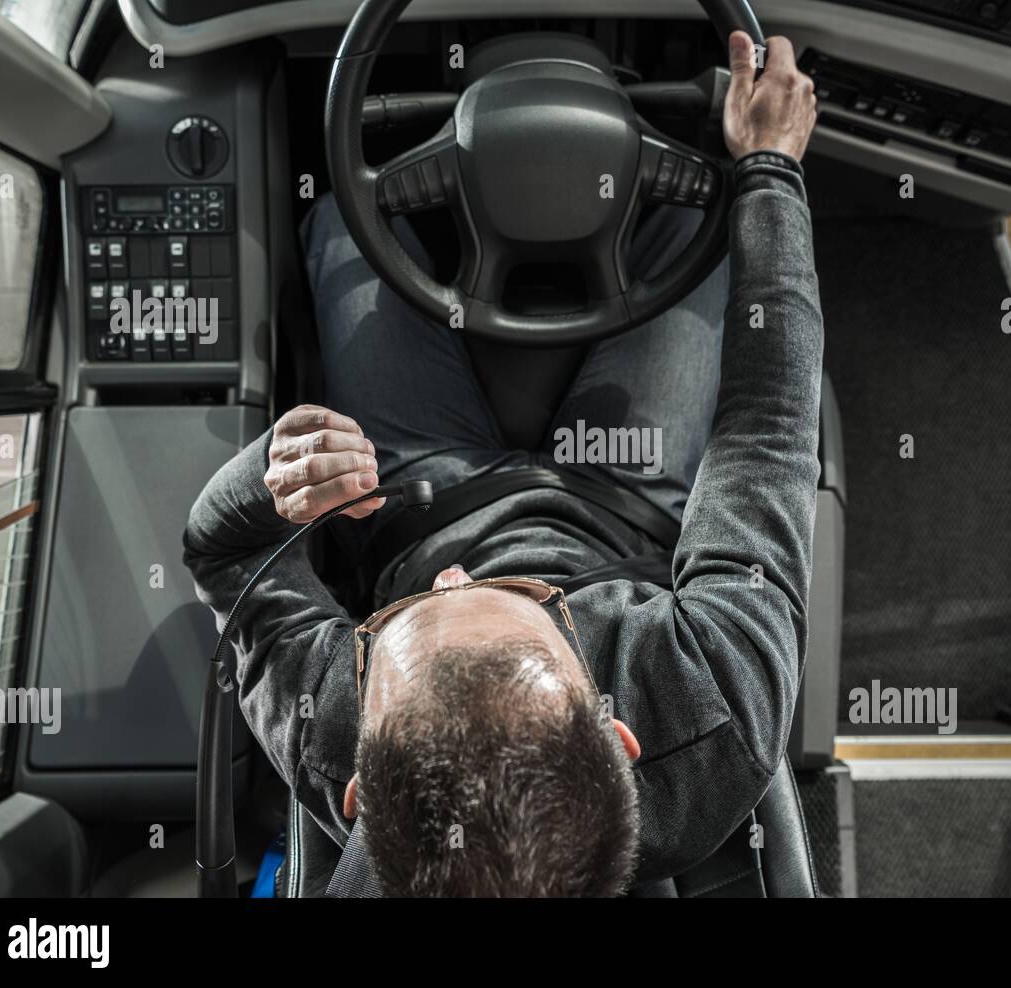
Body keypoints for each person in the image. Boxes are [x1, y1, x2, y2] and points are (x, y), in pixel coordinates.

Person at [184, 30, 823, 896]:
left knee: (343, 220)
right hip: (628, 497)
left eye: (397, 621)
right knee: (696, 213)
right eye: (531, 605)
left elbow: (220, 556)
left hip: (414, 495)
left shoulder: (346, 729)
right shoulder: (709, 706)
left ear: (361, 792)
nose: (452, 580)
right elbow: (767, 427)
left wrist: (271, 479)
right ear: (619, 734)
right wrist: (771, 170)